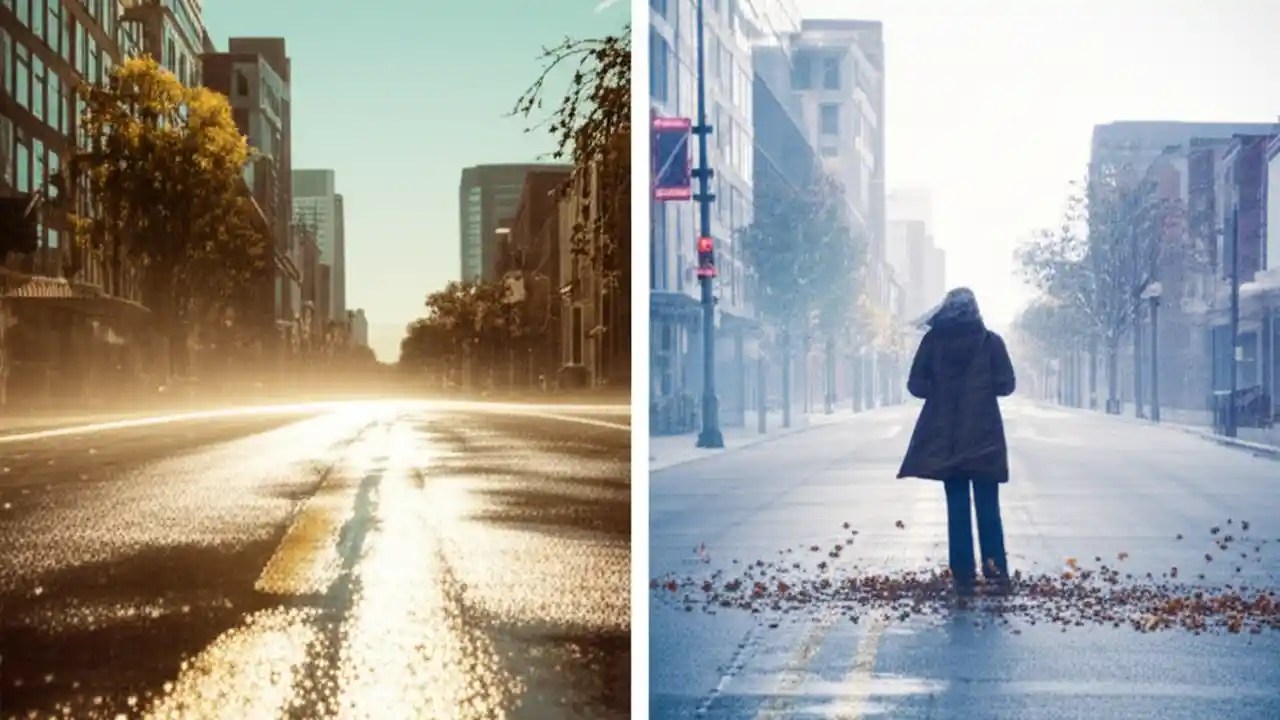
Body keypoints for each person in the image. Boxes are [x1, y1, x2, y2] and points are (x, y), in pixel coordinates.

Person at [897, 287, 1016, 598]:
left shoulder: (933, 342)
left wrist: (941, 388)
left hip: (948, 438)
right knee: (989, 506)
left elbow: (916, 385)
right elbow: (1006, 385)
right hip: (985, 436)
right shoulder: (991, 343)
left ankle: (963, 575)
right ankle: (995, 572)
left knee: (957, 506)